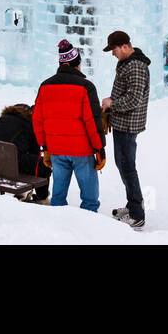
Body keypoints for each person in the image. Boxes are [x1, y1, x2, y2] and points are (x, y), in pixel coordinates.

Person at [32, 40, 105, 212]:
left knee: (58, 197)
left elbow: (38, 120)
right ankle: (87, 229)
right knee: (89, 199)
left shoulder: (45, 86)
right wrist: (99, 148)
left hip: (56, 150)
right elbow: (92, 122)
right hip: (82, 152)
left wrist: (45, 147)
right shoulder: (86, 87)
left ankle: (58, 231)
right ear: (77, 64)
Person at [102, 30, 150, 229]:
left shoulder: (136, 66)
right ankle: (132, 206)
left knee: (128, 168)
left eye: (113, 49)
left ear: (124, 46)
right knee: (124, 166)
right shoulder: (127, 64)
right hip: (123, 124)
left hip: (128, 125)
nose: (112, 53)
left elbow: (134, 98)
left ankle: (137, 214)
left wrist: (112, 103)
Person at [0, 103, 50, 201]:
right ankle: (42, 198)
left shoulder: (5, 118)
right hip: (7, 163)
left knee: (24, 157)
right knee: (43, 164)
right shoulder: (30, 124)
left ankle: (23, 194)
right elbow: (36, 155)